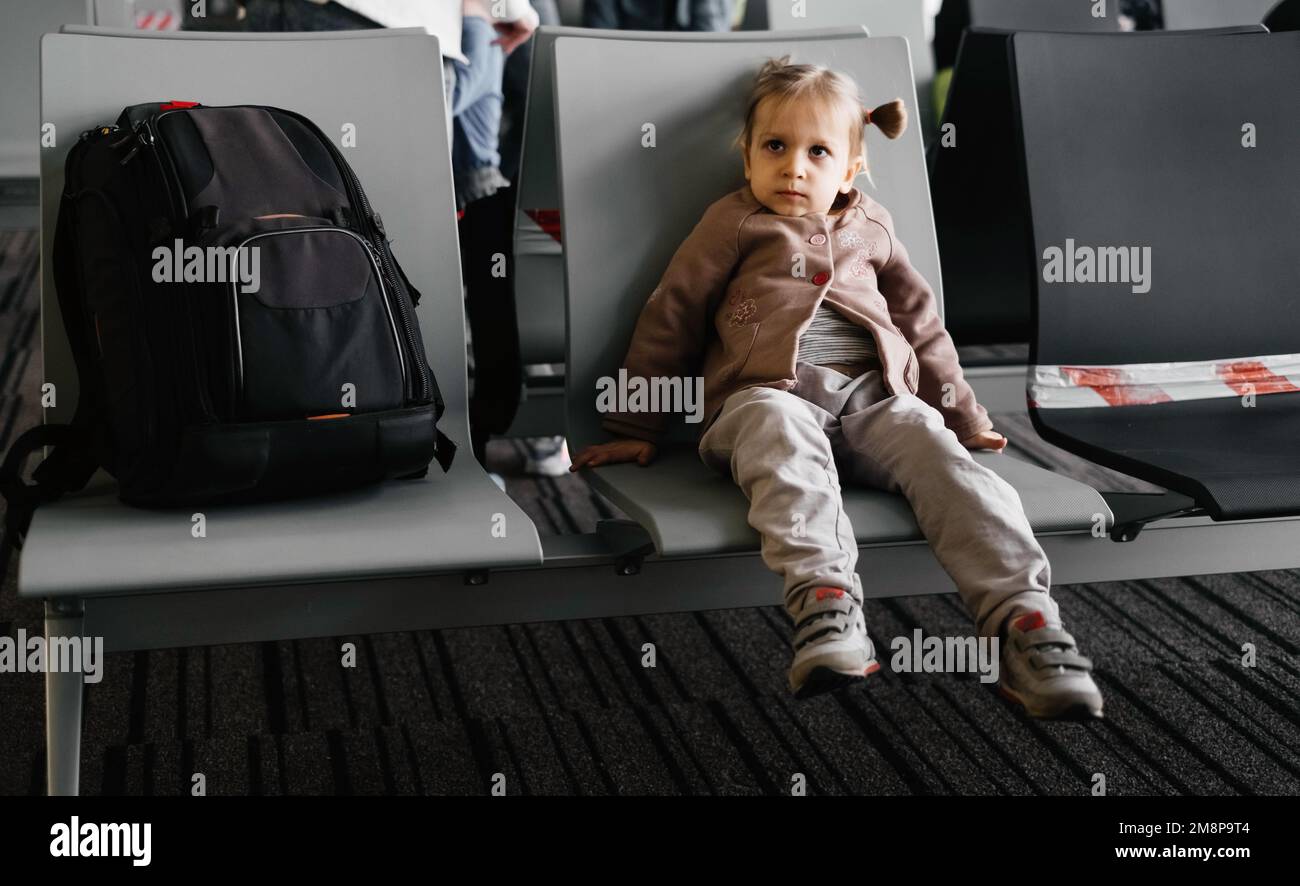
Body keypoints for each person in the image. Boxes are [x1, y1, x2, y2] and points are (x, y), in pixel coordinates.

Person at [569, 56, 1103, 719]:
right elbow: (670, 313)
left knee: (945, 460)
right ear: (746, 156)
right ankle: (826, 606)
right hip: (768, 395)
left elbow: (922, 324)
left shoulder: (872, 227)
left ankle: (1025, 626)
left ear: (850, 168)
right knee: (779, 438)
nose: (794, 166)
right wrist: (635, 424)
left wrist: (961, 415)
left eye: (818, 151)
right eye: (775, 147)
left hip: (874, 401)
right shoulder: (733, 222)